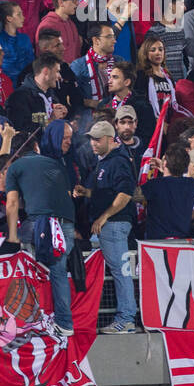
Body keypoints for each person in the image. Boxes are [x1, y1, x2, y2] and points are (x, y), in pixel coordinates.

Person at [6, 135, 78, 335]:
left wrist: (13, 236)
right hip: (66, 222)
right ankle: (65, 323)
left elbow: (12, 204)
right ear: (36, 147)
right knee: (59, 272)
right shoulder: (55, 163)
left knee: (28, 269)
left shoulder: (15, 167)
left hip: (40, 225)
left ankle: (32, 320)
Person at [75, 119, 137, 332]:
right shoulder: (105, 160)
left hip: (114, 224)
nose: (93, 143)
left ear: (111, 139)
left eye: (98, 140)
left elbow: (125, 194)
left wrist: (104, 217)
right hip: (108, 224)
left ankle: (126, 319)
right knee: (113, 271)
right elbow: (107, 192)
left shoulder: (118, 161)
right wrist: (87, 192)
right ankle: (117, 317)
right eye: (91, 139)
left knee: (120, 272)